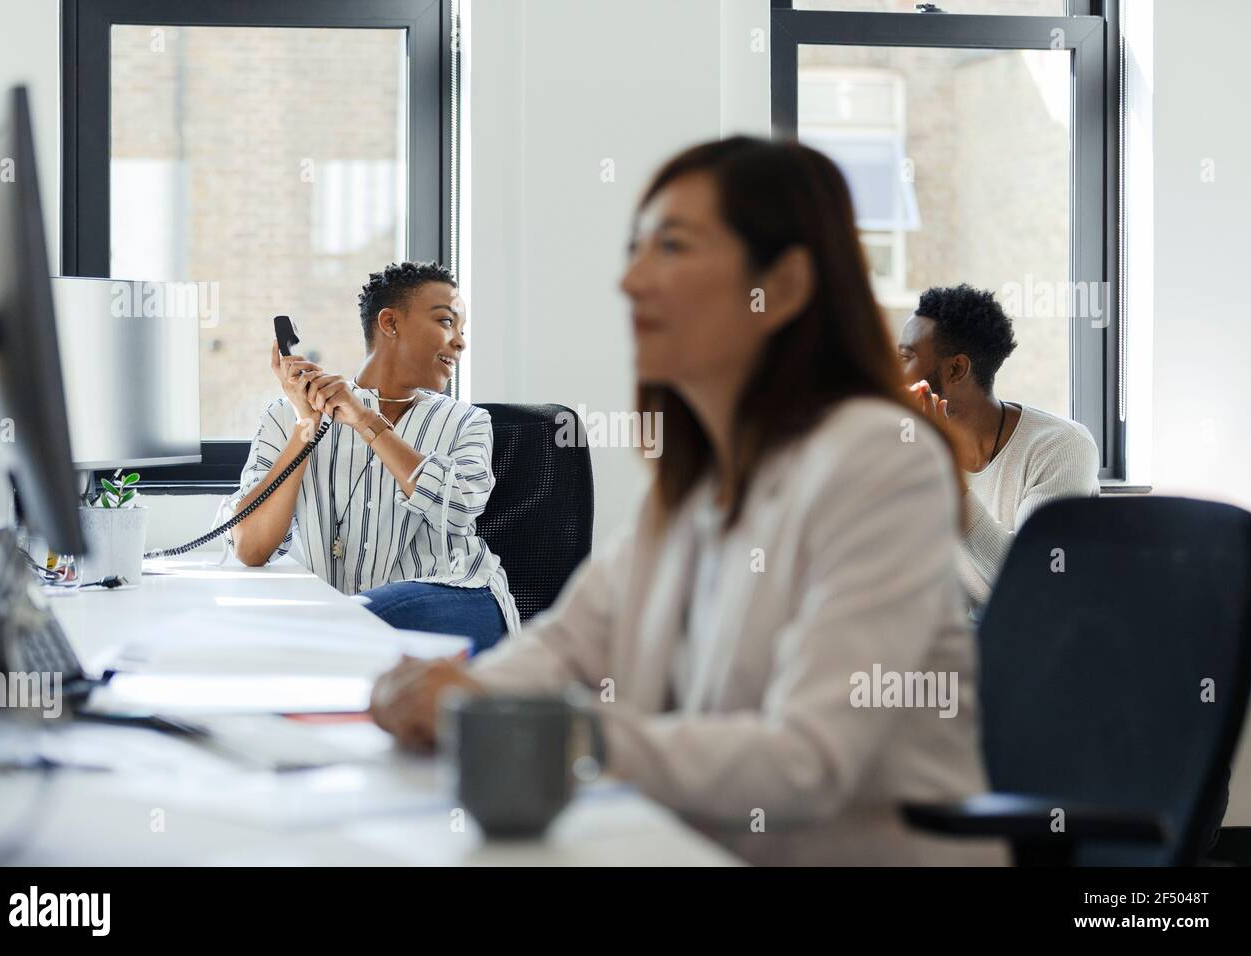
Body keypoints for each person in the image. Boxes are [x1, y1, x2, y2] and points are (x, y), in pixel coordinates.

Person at [367, 137, 1006, 866]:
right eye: (636, 249)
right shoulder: (701, 476)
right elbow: (569, 642)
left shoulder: (878, 461)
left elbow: (809, 758)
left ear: (786, 285)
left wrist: (556, 731)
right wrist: (457, 695)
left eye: (671, 248)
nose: (632, 282)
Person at [229, 262, 519, 652]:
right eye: (446, 322)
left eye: (462, 331)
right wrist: (306, 428)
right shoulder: (287, 416)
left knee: (348, 626)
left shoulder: (467, 421)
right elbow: (250, 548)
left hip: (459, 597)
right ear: (390, 323)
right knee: (342, 629)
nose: (460, 342)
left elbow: (459, 508)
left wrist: (365, 420)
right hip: (344, 618)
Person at [898, 284, 1100, 613]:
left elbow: (1033, 583)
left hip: (1044, 644)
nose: (894, 373)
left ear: (956, 369)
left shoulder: (1061, 447)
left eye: (905, 358)